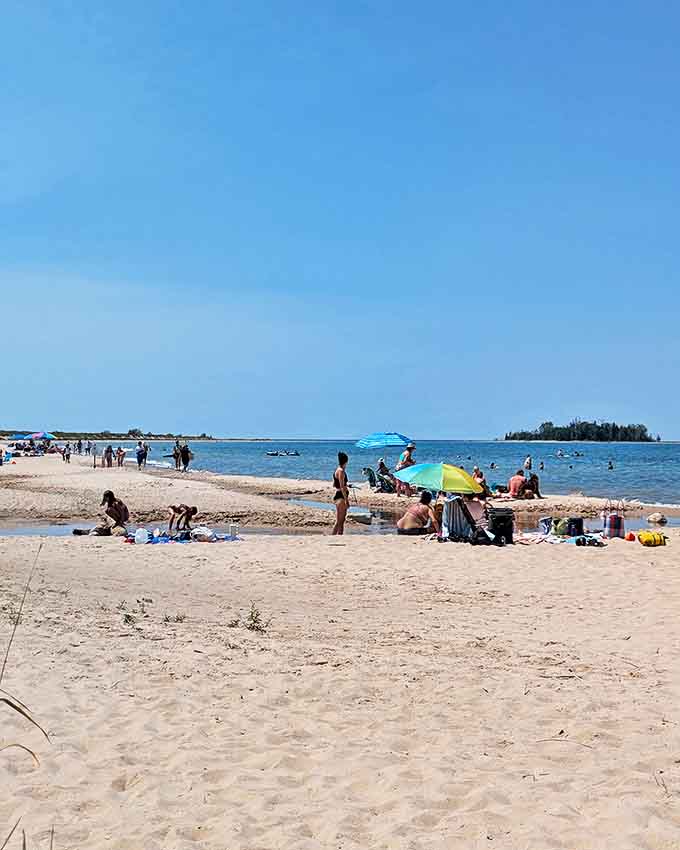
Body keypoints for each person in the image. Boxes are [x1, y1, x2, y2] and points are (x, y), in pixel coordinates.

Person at [332, 451, 350, 535]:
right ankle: (335, 536)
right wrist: (346, 500)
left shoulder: (337, 470)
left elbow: (335, 484)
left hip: (339, 495)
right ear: (345, 461)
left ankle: (339, 536)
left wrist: (346, 485)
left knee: (341, 520)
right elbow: (342, 487)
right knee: (340, 520)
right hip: (341, 497)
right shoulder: (341, 471)